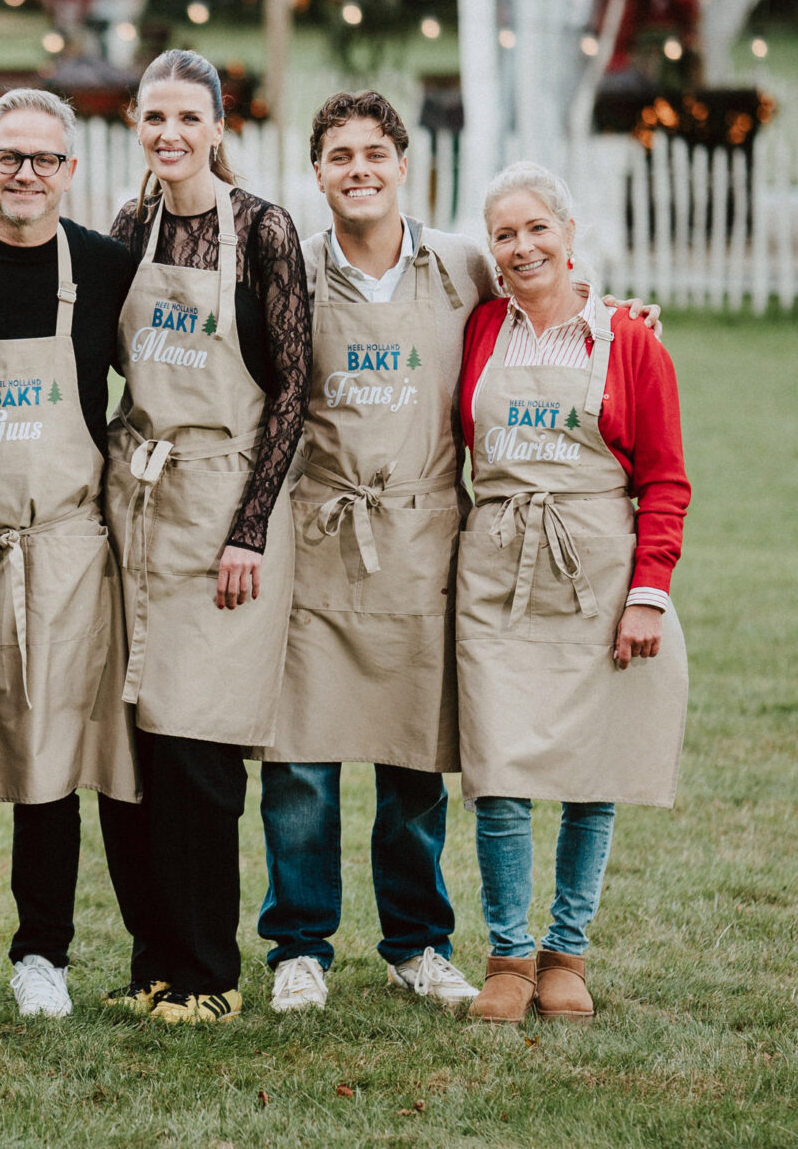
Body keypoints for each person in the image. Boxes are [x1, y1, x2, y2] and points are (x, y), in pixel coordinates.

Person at [253, 92, 491, 1016]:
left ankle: (418, 945)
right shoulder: (289, 270)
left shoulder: (461, 266)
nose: (359, 169)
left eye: (374, 153)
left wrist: (615, 311)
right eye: (339, 155)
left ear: (404, 164)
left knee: (411, 766)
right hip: (318, 544)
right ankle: (298, 948)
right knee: (301, 766)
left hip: (423, 543)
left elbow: (545, 297)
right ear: (316, 172)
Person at [0, 88, 139, 1020]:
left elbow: (177, 378)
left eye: (44, 160)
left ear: (70, 172)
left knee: (51, 759)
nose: (25, 175)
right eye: (9, 157)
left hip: (61, 551)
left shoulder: (106, 268)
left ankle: (40, 951)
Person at [97, 50, 308, 1025]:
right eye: (153, 118)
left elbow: (293, 391)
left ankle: (208, 974)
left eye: (188, 117)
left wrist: (250, 530)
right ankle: (152, 962)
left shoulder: (263, 229)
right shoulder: (130, 226)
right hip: (133, 501)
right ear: (135, 125)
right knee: (130, 745)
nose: (170, 134)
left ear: (219, 126)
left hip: (225, 504)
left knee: (197, 746)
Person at [453, 163, 689, 1025]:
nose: (522, 248)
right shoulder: (482, 329)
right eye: (504, 236)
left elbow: (666, 480)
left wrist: (647, 594)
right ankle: (509, 958)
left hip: (598, 572)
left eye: (536, 229)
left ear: (569, 231)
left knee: (596, 766)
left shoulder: (629, 339)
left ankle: (567, 954)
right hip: (495, 574)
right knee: (500, 767)